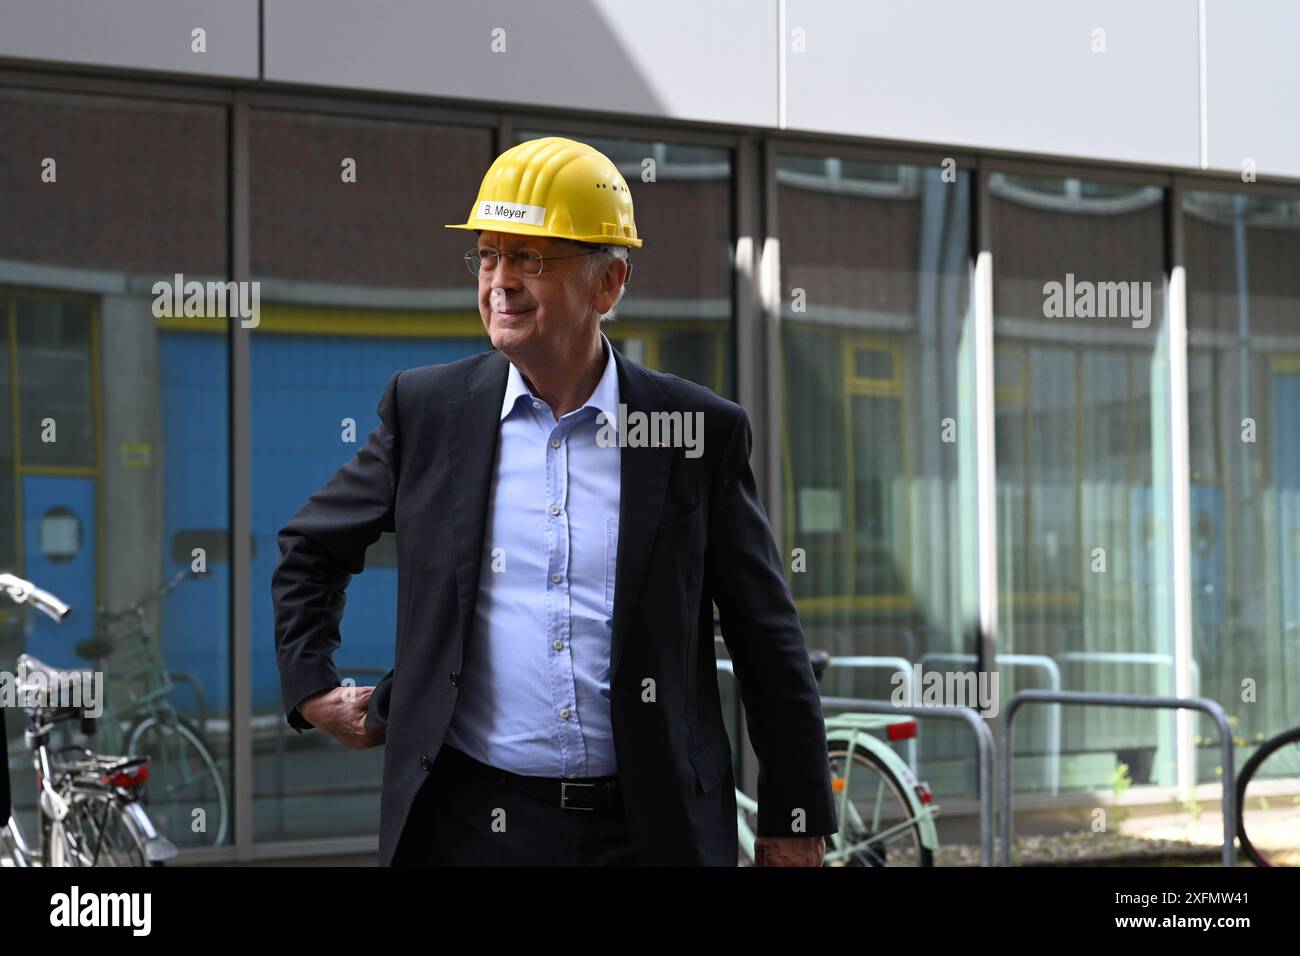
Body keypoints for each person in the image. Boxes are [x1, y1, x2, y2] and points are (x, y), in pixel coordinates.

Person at [272, 136, 836, 866]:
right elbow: (311, 548)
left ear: (609, 285)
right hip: (471, 826)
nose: (499, 281)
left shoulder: (695, 431)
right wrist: (311, 683)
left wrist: (793, 816)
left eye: (530, 258)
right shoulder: (429, 410)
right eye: (487, 255)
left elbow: (766, 634)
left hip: (651, 830)